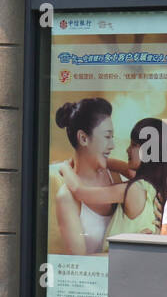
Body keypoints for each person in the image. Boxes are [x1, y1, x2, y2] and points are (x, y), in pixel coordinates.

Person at [58, 116, 167, 240]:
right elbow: (127, 170)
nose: (127, 149)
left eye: (134, 145)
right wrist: (100, 161)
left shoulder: (132, 190)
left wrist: (65, 168)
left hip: (115, 257)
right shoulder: (154, 188)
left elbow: (80, 191)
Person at [50, 99, 118, 254]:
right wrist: (127, 252)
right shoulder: (67, 197)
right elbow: (79, 261)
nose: (113, 145)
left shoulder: (114, 176)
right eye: (107, 137)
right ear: (83, 138)